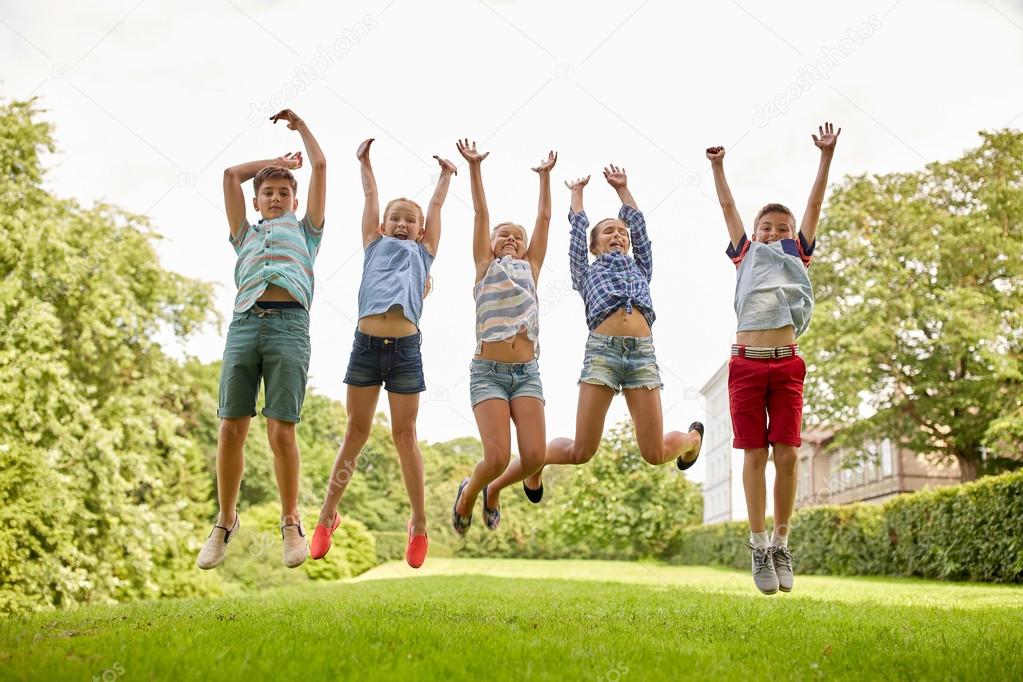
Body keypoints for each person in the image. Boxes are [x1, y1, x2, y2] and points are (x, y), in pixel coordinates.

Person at [706, 121, 841, 594]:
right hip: (746, 363)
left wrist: (825, 157)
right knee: (754, 453)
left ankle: (782, 543)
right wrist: (718, 167)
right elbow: (728, 207)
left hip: (786, 364)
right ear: (755, 232)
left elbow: (814, 205)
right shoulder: (745, 253)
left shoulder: (797, 254)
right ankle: (759, 544)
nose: (774, 232)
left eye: (782, 227)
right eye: (766, 226)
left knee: (787, 453)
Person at [310, 138, 456, 569]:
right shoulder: (373, 244)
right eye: (395, 218)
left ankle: (419, 523)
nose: (402, 224)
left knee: (404, 435)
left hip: (406, 349)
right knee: (355, 431)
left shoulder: (424, 253)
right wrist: (364, 161)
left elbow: (437, 207)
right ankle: (327, 515)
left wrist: (446, 176)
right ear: (382, 225)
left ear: (420, 230)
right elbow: (370, 195)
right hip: (366, 346)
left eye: (410, 220)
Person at [197, 109, 326, 570]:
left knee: (280, 430)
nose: (275, 197)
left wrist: (302, 132)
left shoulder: (306, 232)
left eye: (283, 193)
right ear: (256, 202)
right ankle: (224, 520)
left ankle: (291, 522)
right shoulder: (244, 235)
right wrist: (276, 163)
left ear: (294, 201)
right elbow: (231, 175)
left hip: (289, 327)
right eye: (268, 193)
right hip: (245, 324)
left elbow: (321, 166)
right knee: (231, 426)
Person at [450, 140, 556, 534]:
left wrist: (545, 178)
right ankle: (469, 494)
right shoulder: (485, 266)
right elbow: (481, 212)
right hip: (489, 373)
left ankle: (493, 489)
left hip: (527, 373)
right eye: (503, 235)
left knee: (534, 457)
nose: (511, 239)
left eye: (518, 237)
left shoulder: (532, 267)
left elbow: (544, 217)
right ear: (491, 243)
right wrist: (474, 168)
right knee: (496, 457)